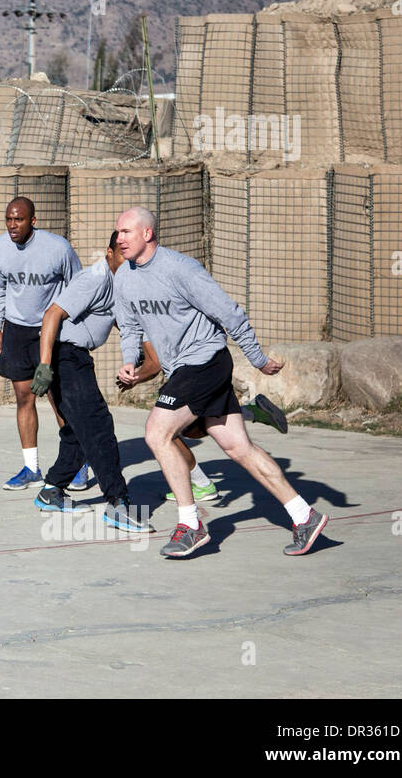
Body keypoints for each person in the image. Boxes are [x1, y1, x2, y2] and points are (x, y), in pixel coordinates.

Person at [113, 207, 328, 558]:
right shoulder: (124, 278)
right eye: (118, 233)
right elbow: (131, 328)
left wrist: (256, 359)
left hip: (205, 361)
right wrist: (128, 361)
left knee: (157, 432)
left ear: (147, 234)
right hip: (182, 368)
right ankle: (304, 515)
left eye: (126, 232)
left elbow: (229, 312)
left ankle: (191, 525)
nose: (119, 239)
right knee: (238, 448)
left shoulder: (181, 269)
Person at [29, 231, 152, 532]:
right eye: (122, 255)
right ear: (109, 253)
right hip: (63, 355)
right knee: (98, 426)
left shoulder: (126, 286)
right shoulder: (94, 279)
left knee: (78, 430)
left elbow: (129, 328)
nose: (128, 262)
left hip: (77, 357)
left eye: (133, 256)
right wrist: (45, 366)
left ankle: (51, 490)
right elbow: (51, 315)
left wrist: (133, 360)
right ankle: (118, 503)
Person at [0, 196, 85, 490]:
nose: (12, 225)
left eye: (18, 219)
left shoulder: (58, 248)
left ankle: (76, 464)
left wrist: (74, 332)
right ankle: (31, 468)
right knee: (24, 398)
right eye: (8, 219)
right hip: (16, 331)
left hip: (49, 330)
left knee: (59, 398)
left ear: (33, 220)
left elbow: (78, 286)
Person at [124, 341, 289, 502]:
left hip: (198, 370)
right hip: (200, 368)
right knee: (184, 429)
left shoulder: (139, 317)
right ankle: (250, 412)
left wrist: (134, 377)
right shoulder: (133, 322)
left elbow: (154, 364)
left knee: (166, 432)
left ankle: (201, 486)